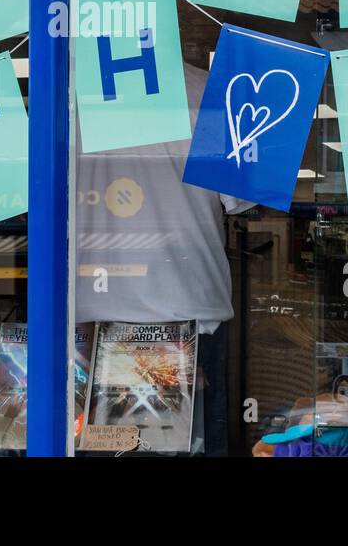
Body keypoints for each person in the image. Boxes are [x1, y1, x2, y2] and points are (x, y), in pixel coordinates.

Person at [74, 63, 253, 455]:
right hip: (186, 312)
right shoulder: (209, 93)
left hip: (84, 318)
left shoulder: (64, 89)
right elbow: (240, 200)